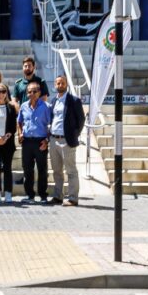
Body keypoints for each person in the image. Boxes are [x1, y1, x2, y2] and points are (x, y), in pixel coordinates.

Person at [48, 75, 86, 206]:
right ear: (55, 85)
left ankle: (73, 198)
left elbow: (81, 120)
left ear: (67, 84)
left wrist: (74, 135)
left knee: (71, 170)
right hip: (53, 140)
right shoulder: (53, 101)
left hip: (66, 141)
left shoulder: (74, 101)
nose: (60, 85)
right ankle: (58, 196)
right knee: (57, 171)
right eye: (58, 83)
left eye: (62, 83)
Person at [17, 80, 52, 204]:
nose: (32, 94)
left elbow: (50, 125)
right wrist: (20, 133)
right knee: (27, 169)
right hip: (27, 142)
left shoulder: (47, 107)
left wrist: (47, 140)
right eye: (29, 92)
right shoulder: (23, 106)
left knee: (42, 169)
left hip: (40, 142)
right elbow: (19, 121)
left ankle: (43, 195)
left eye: (34, 91)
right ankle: (30, 195)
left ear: (39, 92)